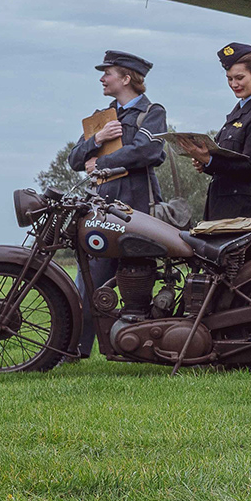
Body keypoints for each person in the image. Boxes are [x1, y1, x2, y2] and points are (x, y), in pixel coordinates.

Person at [69, 50, 169, 342]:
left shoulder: (153, 113)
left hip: (137, 212)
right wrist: (97, 140)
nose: (102, 78)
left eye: (108, 73)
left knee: (138, 280)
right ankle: (75, 348)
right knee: (89, 282)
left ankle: (145, 343)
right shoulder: (100, 119)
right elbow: (75, 160)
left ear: (126, 78)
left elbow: (147, 150)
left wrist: (100, 163)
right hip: (101, 212)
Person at [181, 42, 251, 221]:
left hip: (241, 212)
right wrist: (205, 162)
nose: (234, 84)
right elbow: (226, 162)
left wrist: (209, 159)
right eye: (229, 79)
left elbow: (250, 166)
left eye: (239, 78)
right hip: (220, 205)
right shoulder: (237, 113)